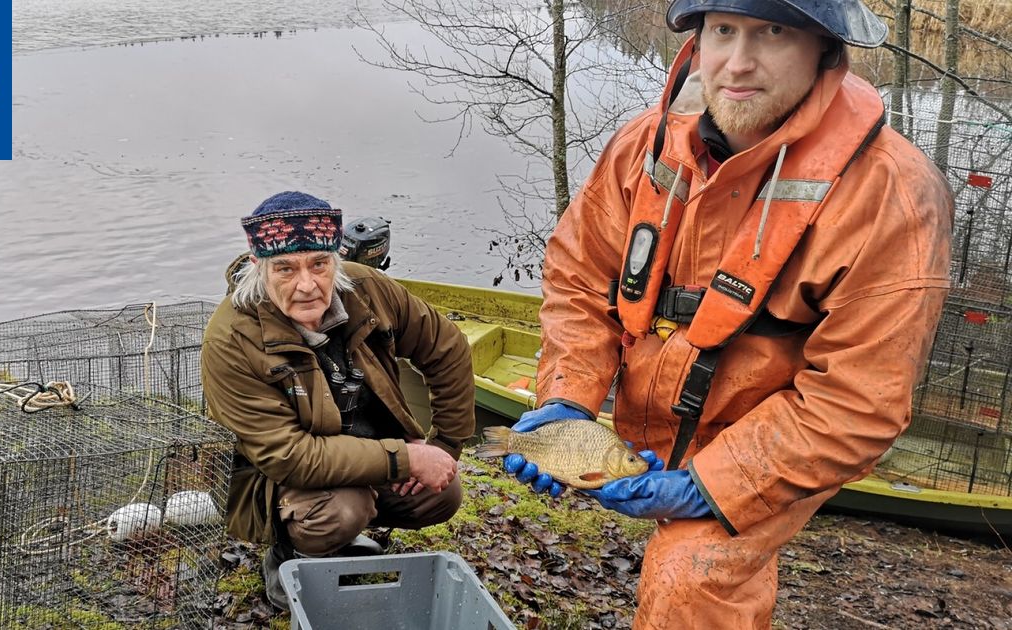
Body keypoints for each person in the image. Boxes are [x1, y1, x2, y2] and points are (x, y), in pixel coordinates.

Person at [503, 1, 953, 627]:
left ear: (825, 50)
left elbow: (858, 401)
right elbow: (579, 277)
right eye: (723, 31)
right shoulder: (646, 145)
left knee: (692, 577)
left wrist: (711, 485)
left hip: (776, 436)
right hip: (650, 416)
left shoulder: (892, 194)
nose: (738, 63)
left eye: (773, 33)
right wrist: (567, 398)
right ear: (697, 41)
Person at [201, 191, 475, 611]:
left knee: (442, 493)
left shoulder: (368, 289)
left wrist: (445, 445)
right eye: (286, 268)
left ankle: (344, 534)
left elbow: (447, 347)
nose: (307, 285)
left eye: (319, 264)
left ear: (336, 260)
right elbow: (289, 456)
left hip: (364, 453)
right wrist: (406, 459)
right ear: (259, 266)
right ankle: (290, 554)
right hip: (272, 480)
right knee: (343, 508)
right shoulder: (230, 340)